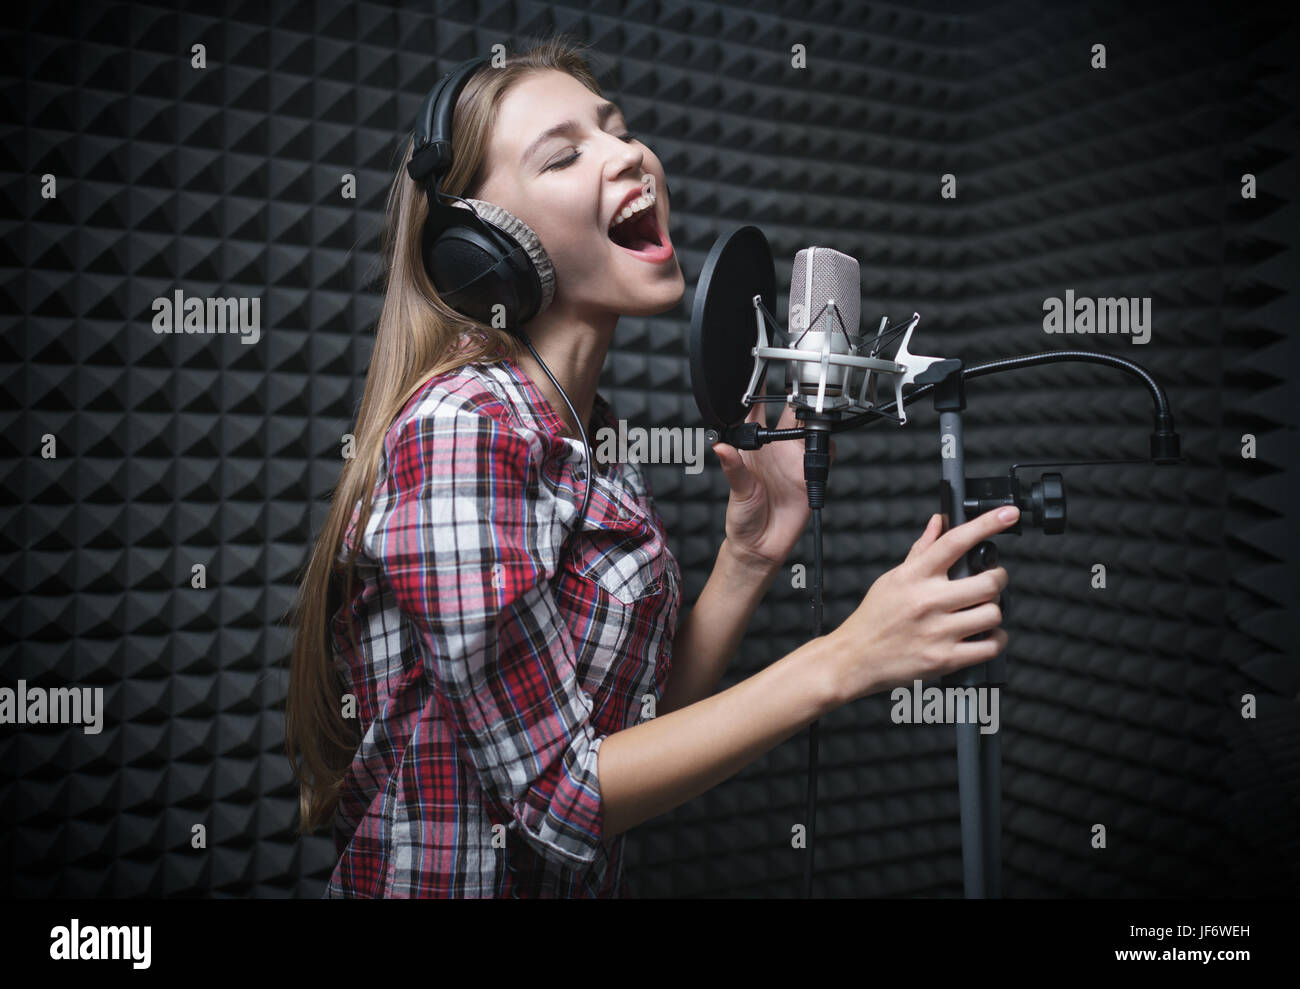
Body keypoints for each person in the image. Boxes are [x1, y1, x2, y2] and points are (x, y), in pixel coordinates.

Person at [284, 35, 1015, 898]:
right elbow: (565, 795)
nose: (629, 153)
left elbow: (633, 731)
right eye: (566, 154)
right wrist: (846, 657)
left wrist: (747, 557)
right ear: (483, 245)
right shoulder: (459, 430)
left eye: (618, 129)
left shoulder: (585, 436)